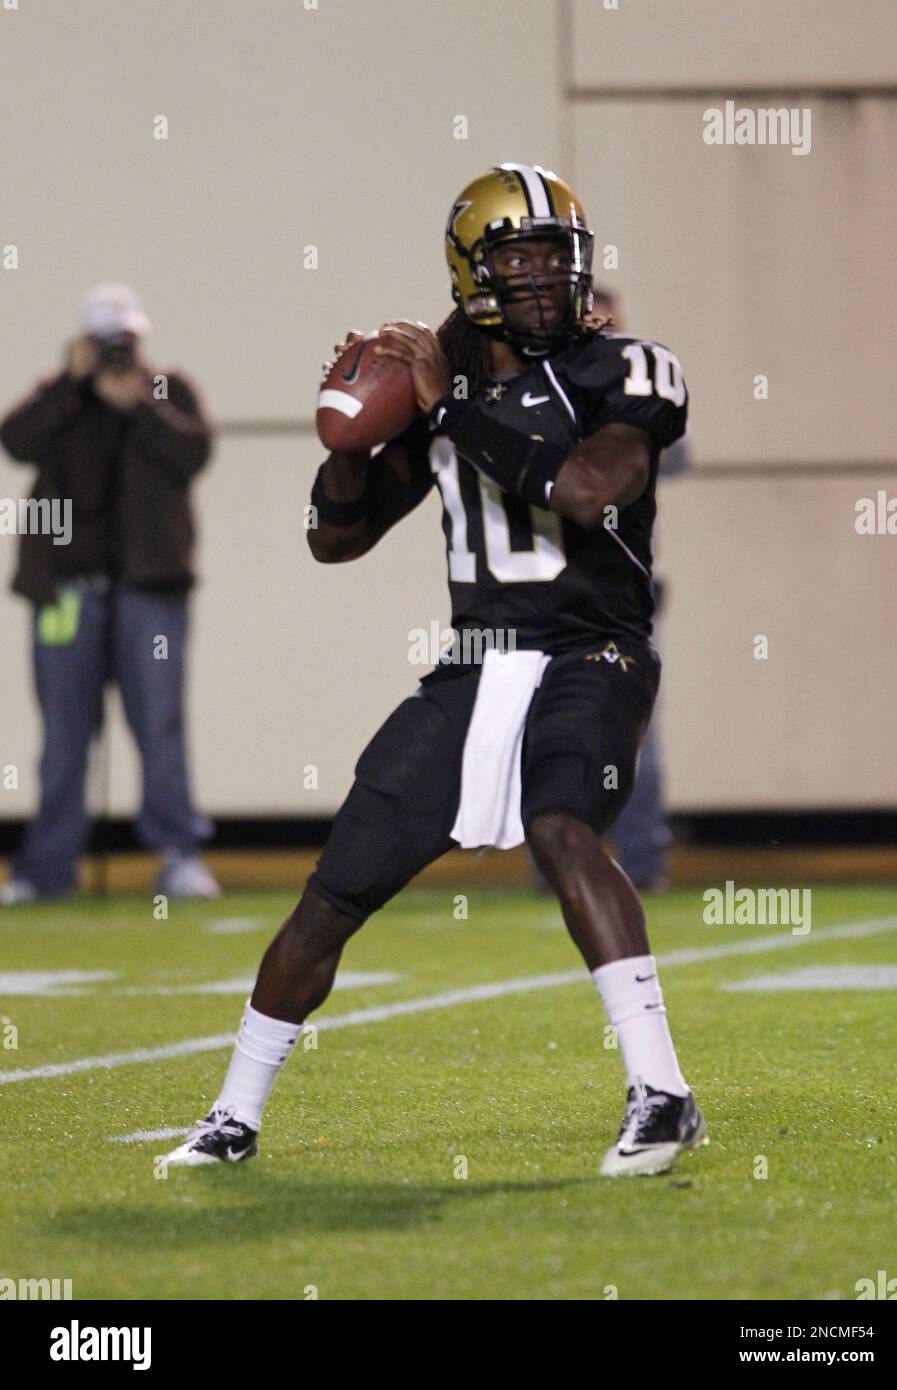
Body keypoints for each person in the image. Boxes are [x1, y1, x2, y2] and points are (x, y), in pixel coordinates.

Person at [166, 163, 707, 1177]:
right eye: (521, 258)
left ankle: (662, 1091)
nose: (546, 278)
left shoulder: (625, 369)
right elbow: (338, 540)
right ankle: (233, 1115)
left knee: (561, 824)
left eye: (558, 256)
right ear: (474, 270)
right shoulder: (442, 377)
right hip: (476, 663)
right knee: (337, 886)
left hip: (595, 646)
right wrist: (345, 444)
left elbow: (589, 489)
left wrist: (447, 406)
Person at [0, 283, 219, 904]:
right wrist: (70, 387)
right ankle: (47, 870)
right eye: (106, 343)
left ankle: (179, 856)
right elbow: (14, 440)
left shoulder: (166, 390)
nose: (118, 354)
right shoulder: (62, 397)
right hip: (66, 593)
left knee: (160, 725)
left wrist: (140, 408)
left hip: (151, 593)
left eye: (126, 341)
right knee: (64, 733)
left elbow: (194, 451)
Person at [590, 287, 692, 892]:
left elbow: (676, 455)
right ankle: (552, 859)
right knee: (546, 731)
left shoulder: (639, 388)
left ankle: (644, 861)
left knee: (635, 733)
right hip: (554, 590)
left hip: (626, 589)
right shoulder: (544, 384)